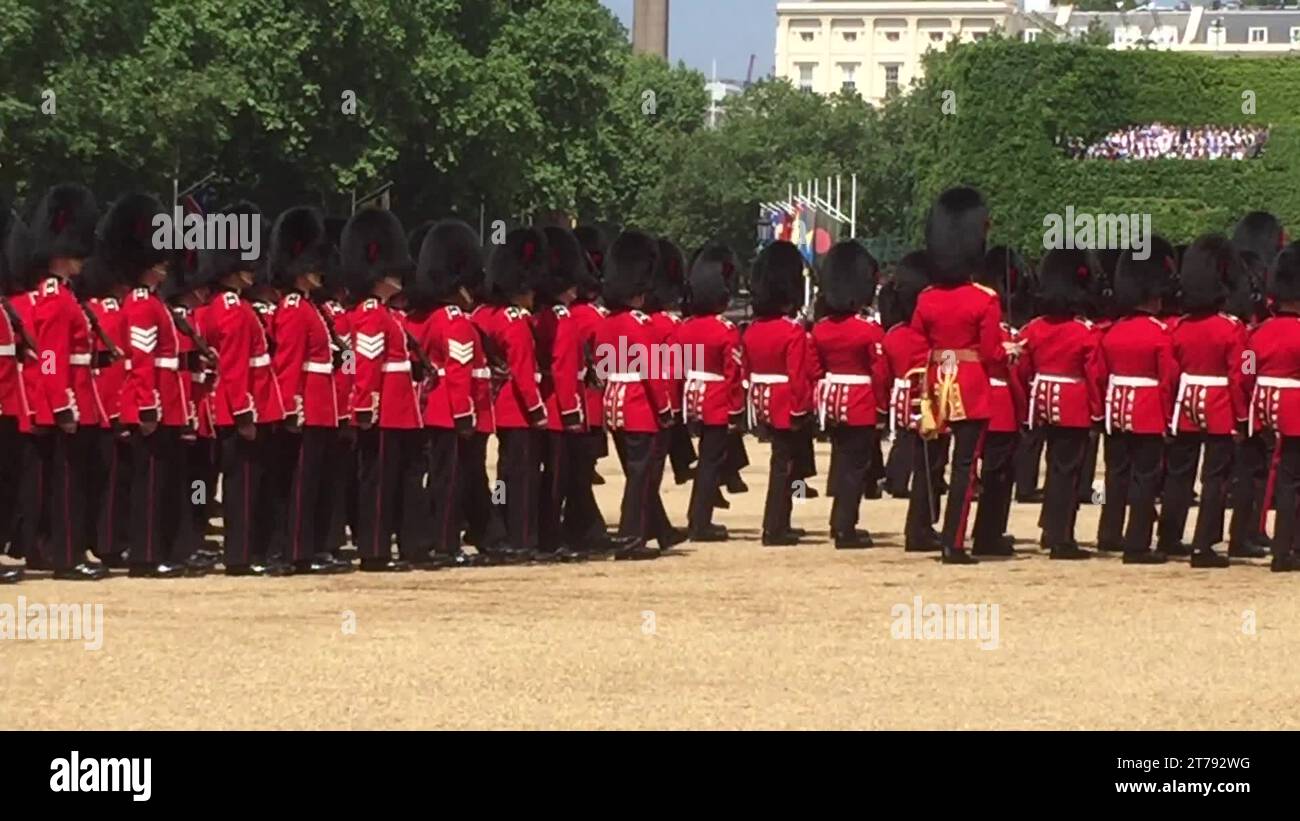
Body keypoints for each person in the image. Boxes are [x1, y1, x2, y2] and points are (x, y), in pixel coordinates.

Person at [911, 187, 1014, 565]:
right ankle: (953, 541)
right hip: (969, 386)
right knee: (965, 467)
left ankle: (925, 528)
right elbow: (990, 353)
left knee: (934, 462)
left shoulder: (926, 298)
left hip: (935, 385)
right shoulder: (984, 298)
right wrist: (1010, 353)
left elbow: (918, 348)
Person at [198, 201, 289, 576]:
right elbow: (236, 371)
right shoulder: (234, 311)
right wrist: (244, 414)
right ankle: (240, 556)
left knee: (248, 485)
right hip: (242, 410)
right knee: (243, 488)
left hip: (244, 407)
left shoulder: (227, 306)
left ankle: (247, 552)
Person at [107, 193, 193, 577]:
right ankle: (144, 555)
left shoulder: (154, 302)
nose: (164, 269)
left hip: (167, 402)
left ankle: (157, 548)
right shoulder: (142, 304)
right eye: (158, 263)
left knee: (163, 482)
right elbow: (142, 361)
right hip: (152, 403)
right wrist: (147, 405)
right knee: (149, 483)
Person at [28, 184, 108, 580]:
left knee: (75, 482)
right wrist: (61, 406)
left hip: (78, 398)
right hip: (69, 403)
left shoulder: (64, 295)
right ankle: (67, 556)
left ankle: (64, 550)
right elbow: (50, 360)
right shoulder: (57, 300)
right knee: (68, 485)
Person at [268, 206, 354, 574]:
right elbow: (289, 365)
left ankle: (313, 546)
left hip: (324, 405)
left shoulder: (310, 308)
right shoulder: (292, 309)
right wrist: (292, 408)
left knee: (316, 482)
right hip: (308, 407)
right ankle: (297, 551)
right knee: (301, 485)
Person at [1157, 234, 1248, 569]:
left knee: (1179, 475)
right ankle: (1204, 545)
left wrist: (1168, 414)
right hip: (1220, 404)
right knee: (1214, 477)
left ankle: (1169, 536)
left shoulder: (1178, 328)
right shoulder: (1232, 329)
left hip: (1185, 404)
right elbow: (1241, 373)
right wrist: (1242, 417)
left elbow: (1169, 376)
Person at [341, 208, 424, 573]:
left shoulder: (386, 313)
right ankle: (374, 551)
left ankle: (410, 544)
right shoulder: (372, 315)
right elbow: (368, 367)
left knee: (404, 478)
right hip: (385, 409)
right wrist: (364, 408)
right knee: (379, 481)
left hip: (401, 408)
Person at [1093, 238, 1179, 565]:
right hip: (1146, 410)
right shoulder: (1160, 334)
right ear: (1153, 295)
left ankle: (1109, 533)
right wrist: (1169, 418)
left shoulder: (1112, 332)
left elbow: (1100, 375)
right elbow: (1167, 380)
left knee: (1116, 473)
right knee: (1145, 476)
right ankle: (1137, 542)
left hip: (1116, 408)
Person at [1015, 249, 1101, 560]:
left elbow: (1022, 371)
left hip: (1041, 401)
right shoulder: (1083, 332)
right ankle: (1060, 535)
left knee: (1054, 467)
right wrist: (1097, 412)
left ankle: (1049, 526)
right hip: (1072, 404)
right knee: (1067, 471)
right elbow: (1093, 377)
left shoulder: (1033, 329)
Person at [593, 230, 672, 559]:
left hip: (615, 402)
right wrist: (665, 407)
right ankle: (630, 537)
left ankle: (656, 529)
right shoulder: (638, 325)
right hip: (639, 405)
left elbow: (600, 365)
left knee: (636, 472)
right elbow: (651, 371)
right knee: (641, 475)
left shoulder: (606, 323)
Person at [410, 220, 483, 568]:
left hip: (427, 407)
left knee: (434, 479)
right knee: (449, 482)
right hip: (448, 410)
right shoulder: (454, 320)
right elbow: (458, 372)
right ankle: (445, 542)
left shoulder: (424, 317)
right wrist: (465, 413)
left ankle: (429, 538)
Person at [478, 228, 550, 562]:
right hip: (518, 408)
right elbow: (523, 373)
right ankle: (522, 538)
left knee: (504, 475)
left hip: (494, 406)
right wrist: (537, 409)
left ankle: (501, 528)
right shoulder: (516, 320)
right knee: (522, 478)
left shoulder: (483, 315)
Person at [810, 241, 884, 549]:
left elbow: (815, 369)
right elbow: (879, 373)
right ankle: (845, 528)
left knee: (842, 462)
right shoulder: (867, 330)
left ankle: (836, 520)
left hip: (832, 401)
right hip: (860, 401)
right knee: (855, 467)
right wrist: (882, 407)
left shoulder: (821, 329)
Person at [744, 240, 815, 546]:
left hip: (763, 401)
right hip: (787, 404)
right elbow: (798, 376)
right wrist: (801, 409)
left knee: (785, 465)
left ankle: (783, 519)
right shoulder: (791, 331)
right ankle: (774, 527)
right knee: (783, 467)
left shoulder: (753, 329)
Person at [1228, 211, 1286, 558]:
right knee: (1251, 470)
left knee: (1257, 470)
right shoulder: (1250, 322)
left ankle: (1253, 528)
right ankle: (1244, 532)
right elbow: (1246, 364)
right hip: (1253, 391)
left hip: (1255, 389)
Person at [678, 245, 744, 542]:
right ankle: (700, 521)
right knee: (709, 462)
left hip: (691, 397)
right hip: (716, 399)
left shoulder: (685, 327)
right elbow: (732, 373)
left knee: (704, 461)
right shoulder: (725, 330)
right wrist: (735, 410)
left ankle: (698, 517)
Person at [879, 252, 944, 552]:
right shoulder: (930, 337)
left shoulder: (893, 335)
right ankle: (920, 527)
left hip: (903, 400)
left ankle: (917, 521)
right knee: (931, 466)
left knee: (917, 458)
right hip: (929, 400)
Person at [533, 226, 588, 561]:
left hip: (544, 403)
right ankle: (552, 538)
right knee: (557, 480)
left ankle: (546, 534)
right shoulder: (563, 319)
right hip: (559, 408)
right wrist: (570, 410)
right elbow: (565, 370)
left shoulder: (540, 316)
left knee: (545, 477)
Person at [971, 246, 1028, 556]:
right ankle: (988, 534)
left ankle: (981, 531)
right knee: (999, 474)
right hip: (1000, 405)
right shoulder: (1002, 330)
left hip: (973, 399)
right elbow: (1001, 362)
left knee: (973, 471)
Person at [1248, 241, 1300, 572]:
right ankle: (1288, 548)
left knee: (1273, 478)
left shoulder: (1256, 334)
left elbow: (1246, 371)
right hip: (1294, 410)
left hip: (1263, 408)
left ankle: (1277, 545)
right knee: (1292, 481)